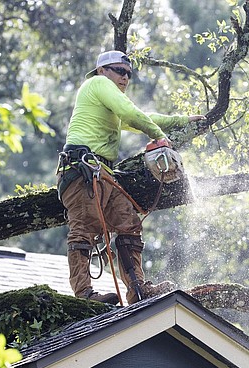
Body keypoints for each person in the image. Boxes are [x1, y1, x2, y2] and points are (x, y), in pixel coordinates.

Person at [57, 50, 205, 305]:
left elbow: (140, 117)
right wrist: (158, 135)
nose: (125, 78)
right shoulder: (97, 84)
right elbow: (130, 113)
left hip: (103, 172)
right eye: (119, 71)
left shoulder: (109, 101)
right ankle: (84, 294)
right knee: (83, 227)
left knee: (128, 222)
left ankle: (138, 289)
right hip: (81, 169)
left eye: (128, 74)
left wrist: (181, 121)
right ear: (102, 70)